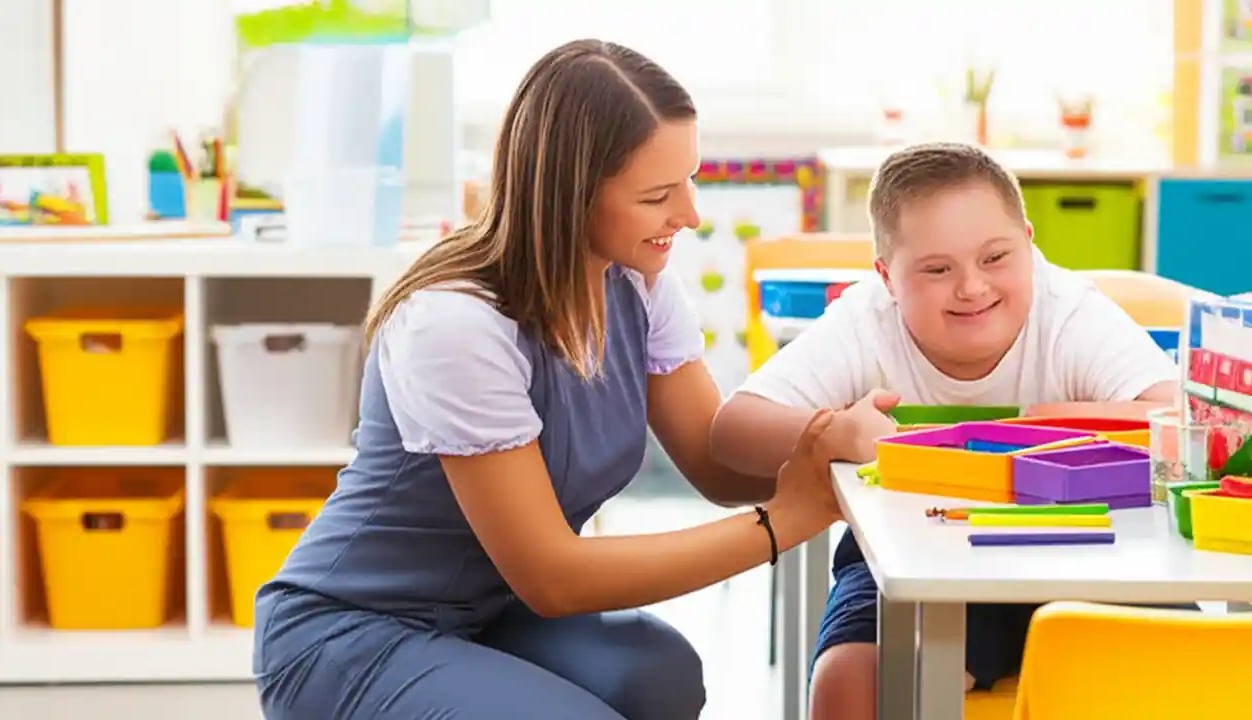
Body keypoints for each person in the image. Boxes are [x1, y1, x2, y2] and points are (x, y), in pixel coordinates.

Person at [250, 38, 848, 720]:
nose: (691, 214)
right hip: (354, 633)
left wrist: (833, 447)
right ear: (570, 197)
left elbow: (715, 462)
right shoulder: (456, 326)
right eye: (658, 194)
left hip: (489, 610)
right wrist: (781, 523)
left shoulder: (637, 285)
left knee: (658, 676)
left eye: (689, 178)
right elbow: (554, 578)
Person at [709, 142, 1180, 720]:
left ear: (1030, 244)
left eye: (995, 258)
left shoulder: (1070, 315)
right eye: (936, 270)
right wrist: (834, 432)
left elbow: (1176, 426)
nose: (972, 288)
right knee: (847, 683)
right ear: (887, 277)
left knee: (1176, 664)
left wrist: (1050, 425)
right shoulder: (867, 323)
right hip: (915, 561)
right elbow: (733, 430)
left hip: (1089, 550)